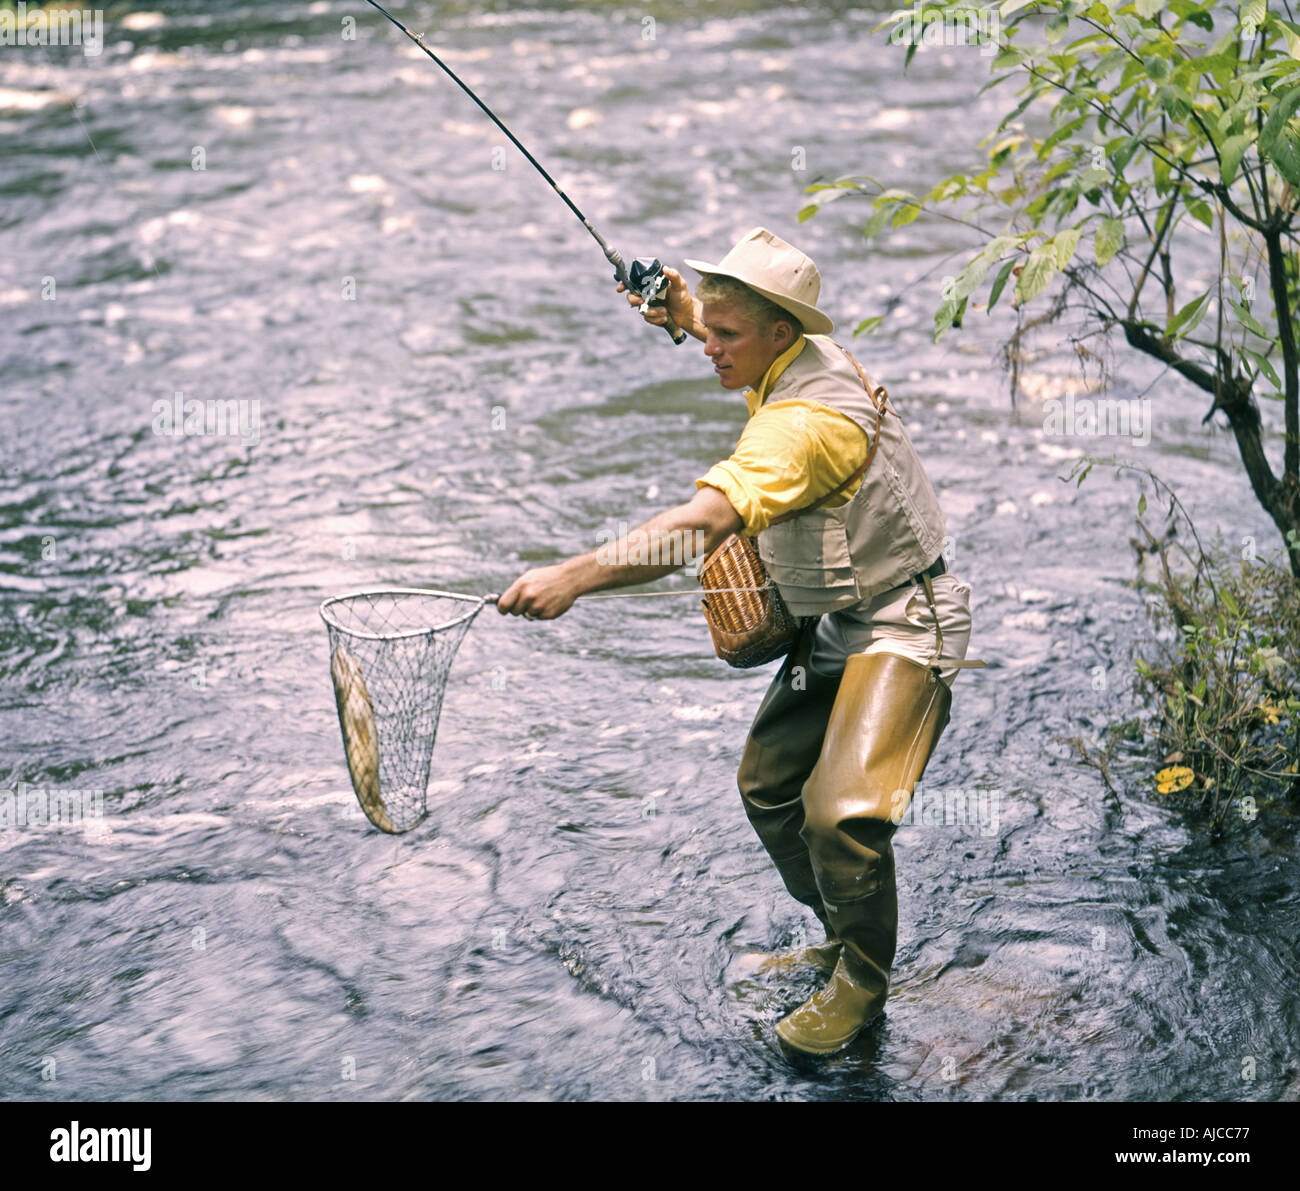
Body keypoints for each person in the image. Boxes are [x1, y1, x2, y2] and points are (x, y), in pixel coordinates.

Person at [497, 226, 977, 1056]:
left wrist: (575, 576)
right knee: (768, 784)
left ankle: (863, 976)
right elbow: (726, 326)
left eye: (726, 337)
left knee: (841, 814)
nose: (709, 348)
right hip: (838, 616)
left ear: (779, 337)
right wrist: (685, 308)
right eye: (705, 330)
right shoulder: (789, 356)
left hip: (906, 617)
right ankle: (837, 929)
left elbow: (702, 523)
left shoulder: (804, 425)